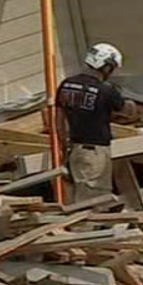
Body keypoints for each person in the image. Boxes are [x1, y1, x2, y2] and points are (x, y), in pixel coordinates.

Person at [55, 43, 135, 202]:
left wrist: (64, 147)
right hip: (95, 153)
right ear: (105, 67)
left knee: (80, 196)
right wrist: (127, 100)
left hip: (76, 149)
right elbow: (128, 112)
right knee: (95, 201)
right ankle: (85, 228)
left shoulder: (67, 84)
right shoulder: (106, 90)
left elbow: (58, 121)